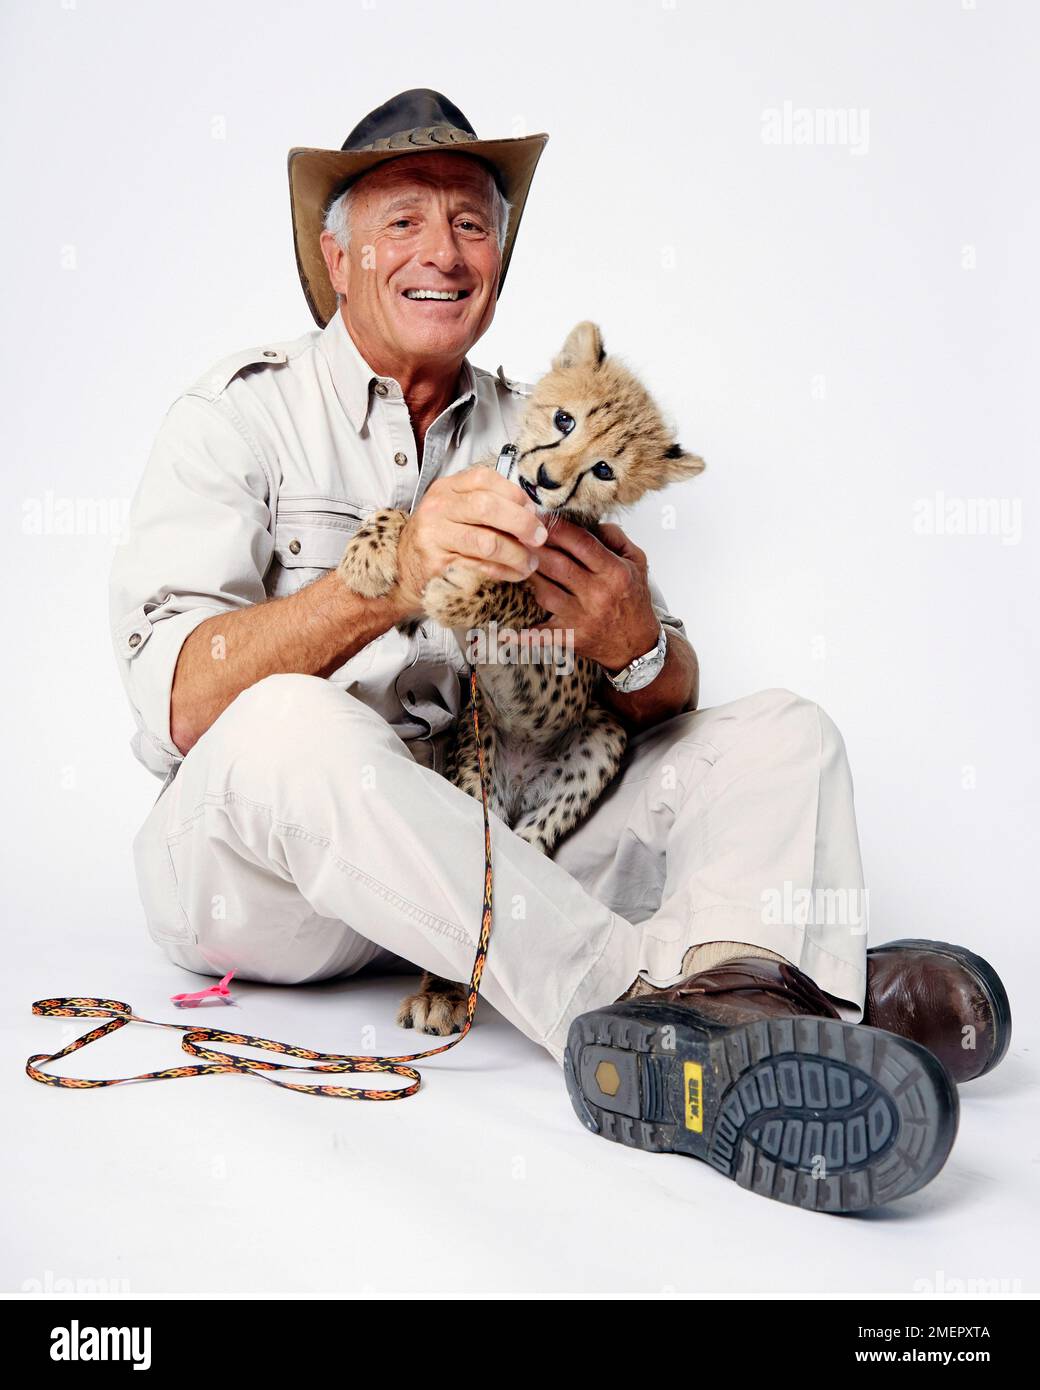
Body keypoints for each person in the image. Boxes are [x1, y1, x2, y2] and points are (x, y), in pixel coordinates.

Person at [109, 89, 1010, 1213]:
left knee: (782, 731)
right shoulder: (237, 414)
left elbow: (648, 705)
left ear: (499, 258)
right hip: (261, 877)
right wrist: (386, 574)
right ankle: (665, 1003)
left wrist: (636, 648)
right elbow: (184, 703)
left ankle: (753, 984)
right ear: (334, 259)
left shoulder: (547, 422)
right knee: (292, 720)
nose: (442, 251)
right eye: (402, 221)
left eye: (472, 224)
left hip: (477, 859)